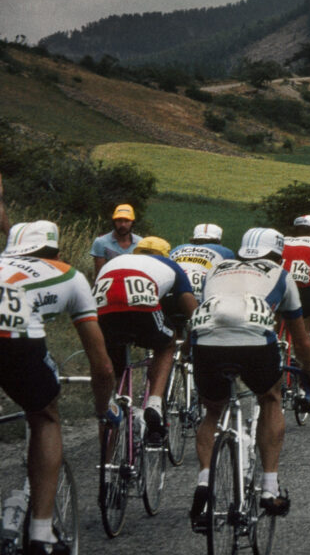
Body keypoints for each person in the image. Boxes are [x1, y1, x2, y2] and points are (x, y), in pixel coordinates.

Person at [187, 228, 310, 529]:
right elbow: (302, 341)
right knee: (270, 397)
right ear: (278, 253)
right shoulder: (282, 274)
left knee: (212, 411)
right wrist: (309, 372)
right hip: (254, 341)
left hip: (207, 340)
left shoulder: (217, 269)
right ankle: (270, 489)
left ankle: (205, 482)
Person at [2, 219, 117, 555]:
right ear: (54, 249)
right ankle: (41, 533)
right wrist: (100, 408)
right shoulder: (69, 275)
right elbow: (103, 365)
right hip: (15, 341)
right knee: (44, 416)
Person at [93, 234, 196, 447]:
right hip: (140, 305)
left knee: (117, 360)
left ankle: (108, 461)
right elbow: (194, 314)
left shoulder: (116, 261)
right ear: (166, 255)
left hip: (103, 309)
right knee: (167, 342)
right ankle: (155, 403)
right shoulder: (171, 266)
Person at [170, 224, 234, 298]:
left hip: (173, 292)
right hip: (204, 296)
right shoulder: (225, 251)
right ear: (218, 239)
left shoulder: (177, 248)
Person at [90, 203, 140, 279]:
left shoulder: (140, 243)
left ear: (132, 223)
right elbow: (99, 275)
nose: (123, 225)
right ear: (114, 222)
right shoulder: (101, 242)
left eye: (127, 221)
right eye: (119, 221)